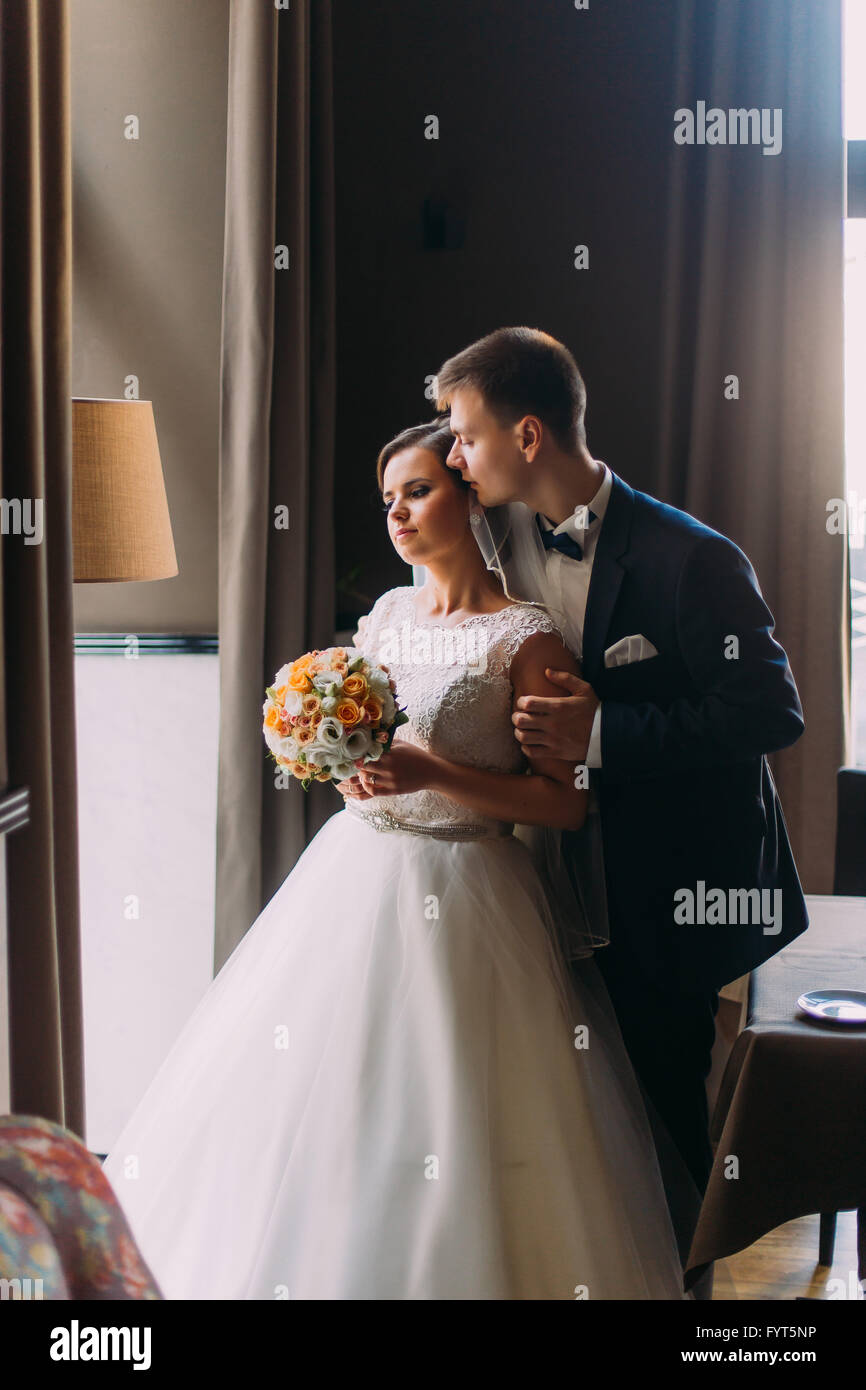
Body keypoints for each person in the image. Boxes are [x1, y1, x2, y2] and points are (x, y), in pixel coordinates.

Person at [102, 418, 687, 1300]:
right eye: (388, 500)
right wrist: (343, 770)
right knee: (330, 1091)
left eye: (417, 491)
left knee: (452, 1100)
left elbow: (563, 803)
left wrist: (426, 770)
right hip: (358, 874)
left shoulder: (524, 639)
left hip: (471, 888)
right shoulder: (385, 616)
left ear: (468, 495)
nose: (398, 514)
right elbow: (365, 750)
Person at [432, 325, 809, 1281]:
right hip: (529, 886)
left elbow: (769, 710)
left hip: (667, 886)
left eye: (466, 436)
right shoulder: (483, 540)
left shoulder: (693, 559)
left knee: (662, 1122)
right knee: (567, 1126)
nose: (453, 458)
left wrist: (604, 736)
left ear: (527, 437)